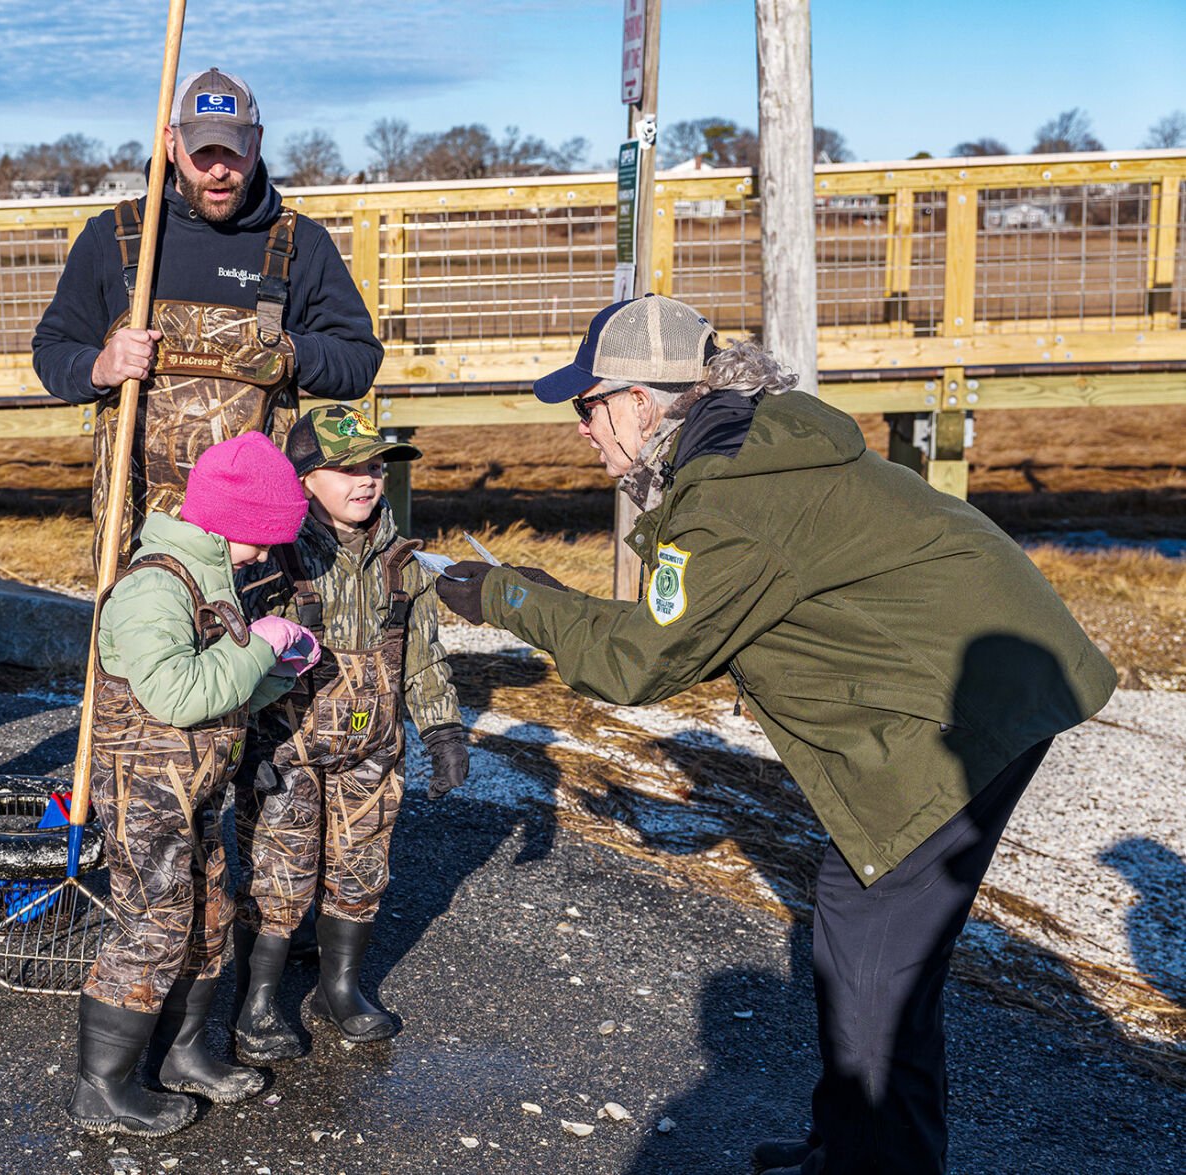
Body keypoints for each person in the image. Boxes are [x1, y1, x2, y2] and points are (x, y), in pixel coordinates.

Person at [433, 295, 1117, 1175]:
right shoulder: (748, 446)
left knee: (873, 966)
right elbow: (704, 620)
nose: (580, 429)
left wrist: (507, 597)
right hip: (974, 683)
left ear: (641, 401)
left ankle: (873, 1163)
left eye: (586, 405)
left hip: (956, 717)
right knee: (854, 934)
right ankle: (851, 1147)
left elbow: (640, 662)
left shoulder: (733, 494)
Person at [31, 68, 382, 569]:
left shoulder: (300, 244)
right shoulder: (116, 237)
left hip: (261, 540)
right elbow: (52, 352)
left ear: (257, 144)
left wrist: (291, 351)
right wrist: (99, 368)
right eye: (203, 153)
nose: (218, 170)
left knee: (260, 647)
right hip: (140, 534)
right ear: (171, 143)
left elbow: (359, 361)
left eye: (232, 152)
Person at [72, 432, 321, 1138]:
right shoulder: (154, 585)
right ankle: (102, 1085)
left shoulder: (213, 576)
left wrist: (281, 668)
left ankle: (182, 1053)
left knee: (207, 917)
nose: (266, 554)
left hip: (198, 790)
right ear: (222, 520)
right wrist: (258, 643)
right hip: (146, 796)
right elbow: (177, 695)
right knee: (151, 928)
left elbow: (223, 689)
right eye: (260, 538)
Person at [231, 405, 466, 1061]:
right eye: (346, 467)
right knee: (278, 874)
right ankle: (255, 1000)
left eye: (374, 466)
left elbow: (421, 653)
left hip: (371, 751)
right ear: (302, 478)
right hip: (286, 749)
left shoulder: (400, 560)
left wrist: (444, 731)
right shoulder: (273, 557)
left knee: (361, 869)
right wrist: (239, 748)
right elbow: (236, 659)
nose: (366, 479)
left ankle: (340, 988)